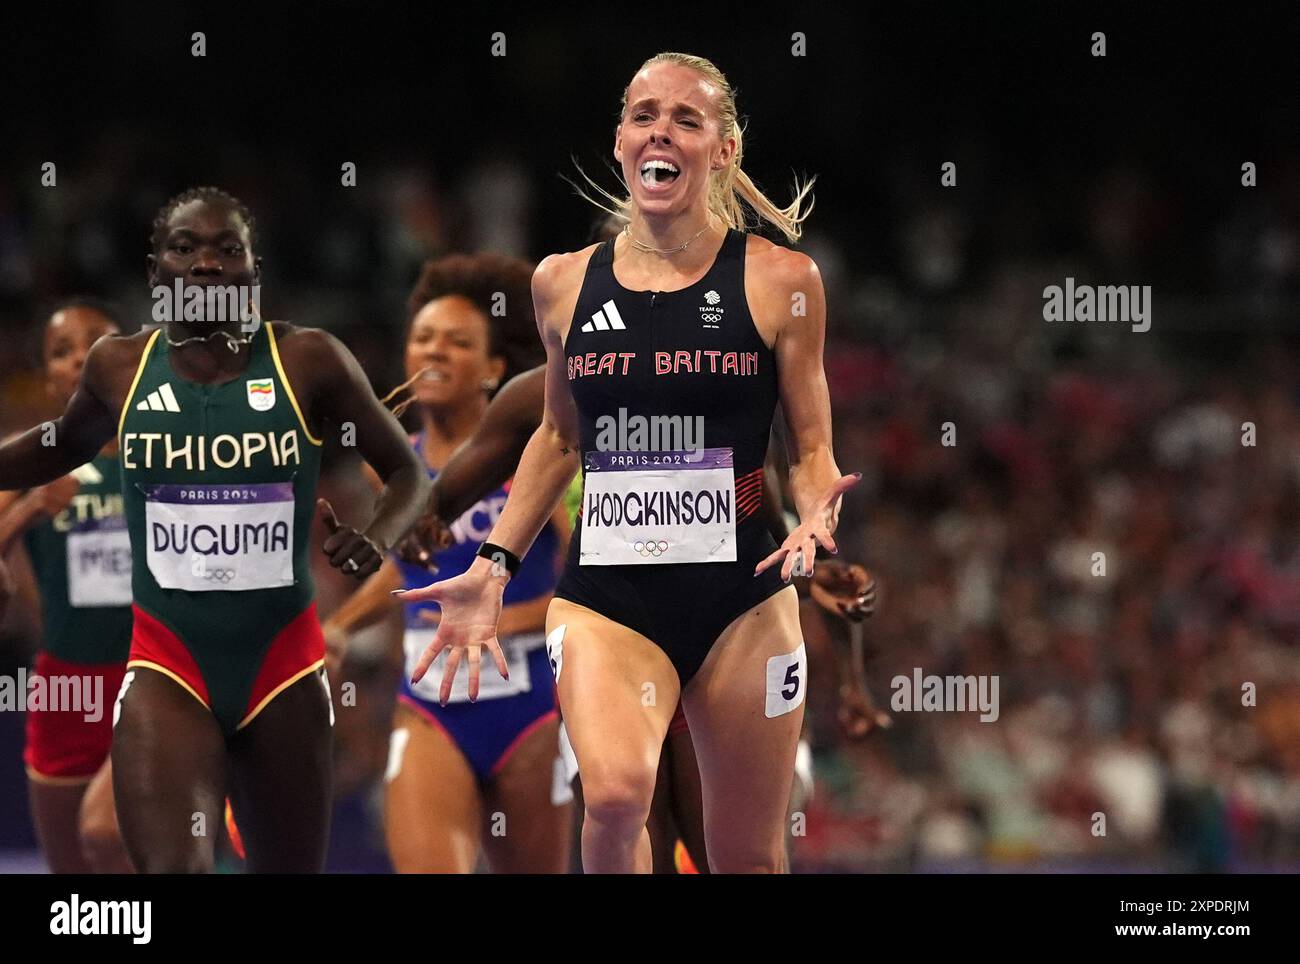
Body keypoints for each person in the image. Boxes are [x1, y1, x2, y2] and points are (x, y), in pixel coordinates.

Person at [399, 52, 856, 873]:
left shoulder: (784, 281)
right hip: (609, 597)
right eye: (646, 115)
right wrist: (495, 560)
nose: (662, 131)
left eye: (687, 118)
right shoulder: (562, 284)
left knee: (746, 855)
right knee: (612, 798)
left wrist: (819, 510)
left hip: (744, 600)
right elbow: (560, 437)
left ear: (723, 149)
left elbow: (811, 447)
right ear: (620, 141)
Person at [0, 187, 430, 872]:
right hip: (167, 666)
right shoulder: (118, 366)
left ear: (253, 273)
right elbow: (59, 443)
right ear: (155, 271)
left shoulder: (306, 358)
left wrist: (376, 536)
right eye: (185, 247)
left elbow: (407, 472)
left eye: (227, 249)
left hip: (283, 671)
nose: (205, 263)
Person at [323, 253, 573, 872]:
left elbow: (592, 578)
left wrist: (507, 619)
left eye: (458, 342)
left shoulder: (537, 454)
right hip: (429, 705)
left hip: (532, 705)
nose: (434, 351)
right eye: (423, 338)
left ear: (493, 369)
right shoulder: (391, 465)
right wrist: (339, 626)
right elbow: (402, 576)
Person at [0, 300, 133, 873]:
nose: (79, 357)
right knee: (74, 876)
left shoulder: (165, 450)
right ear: (49, 372)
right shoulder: (26, 457)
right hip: (66, 687)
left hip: (155, 677)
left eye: (94, 341)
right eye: (61, 351)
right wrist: (29, 509)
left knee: (127, 843)